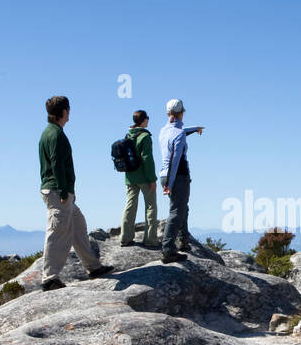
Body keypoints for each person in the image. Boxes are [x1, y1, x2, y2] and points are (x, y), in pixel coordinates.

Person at [38, 95, 114, 290]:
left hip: (59, 190)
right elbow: (56, 164)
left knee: (78, 225)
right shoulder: (56, 135)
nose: (70, 113)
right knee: (57, 232)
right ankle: (49, 278)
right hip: (58, 190)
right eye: (68, 109)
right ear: (63, 111)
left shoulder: (49, 132)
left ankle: (93, 267)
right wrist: (64, 190)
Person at [157, 98, 204, 264]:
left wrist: (195, 129)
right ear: (181, 113)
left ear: (169, 114)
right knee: (176, 212)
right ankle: (168, 250)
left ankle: (184, 241)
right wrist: (170, 185)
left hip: (164, 175)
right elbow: (175, 160)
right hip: (178, 176)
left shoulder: (164, 131)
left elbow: (180, 131)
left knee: (183, 208)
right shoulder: (179, 134)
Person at [119, 110, 159, 248]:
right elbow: (147, 159)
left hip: (130, 177)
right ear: (143, 120)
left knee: (130, 206)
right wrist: (152, 179)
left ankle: (125, 237)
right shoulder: (145, 137)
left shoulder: (127, 135)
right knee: (151, 207)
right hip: (144, 177)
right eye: (147, 118)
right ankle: (150, 239)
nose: (148, 120)